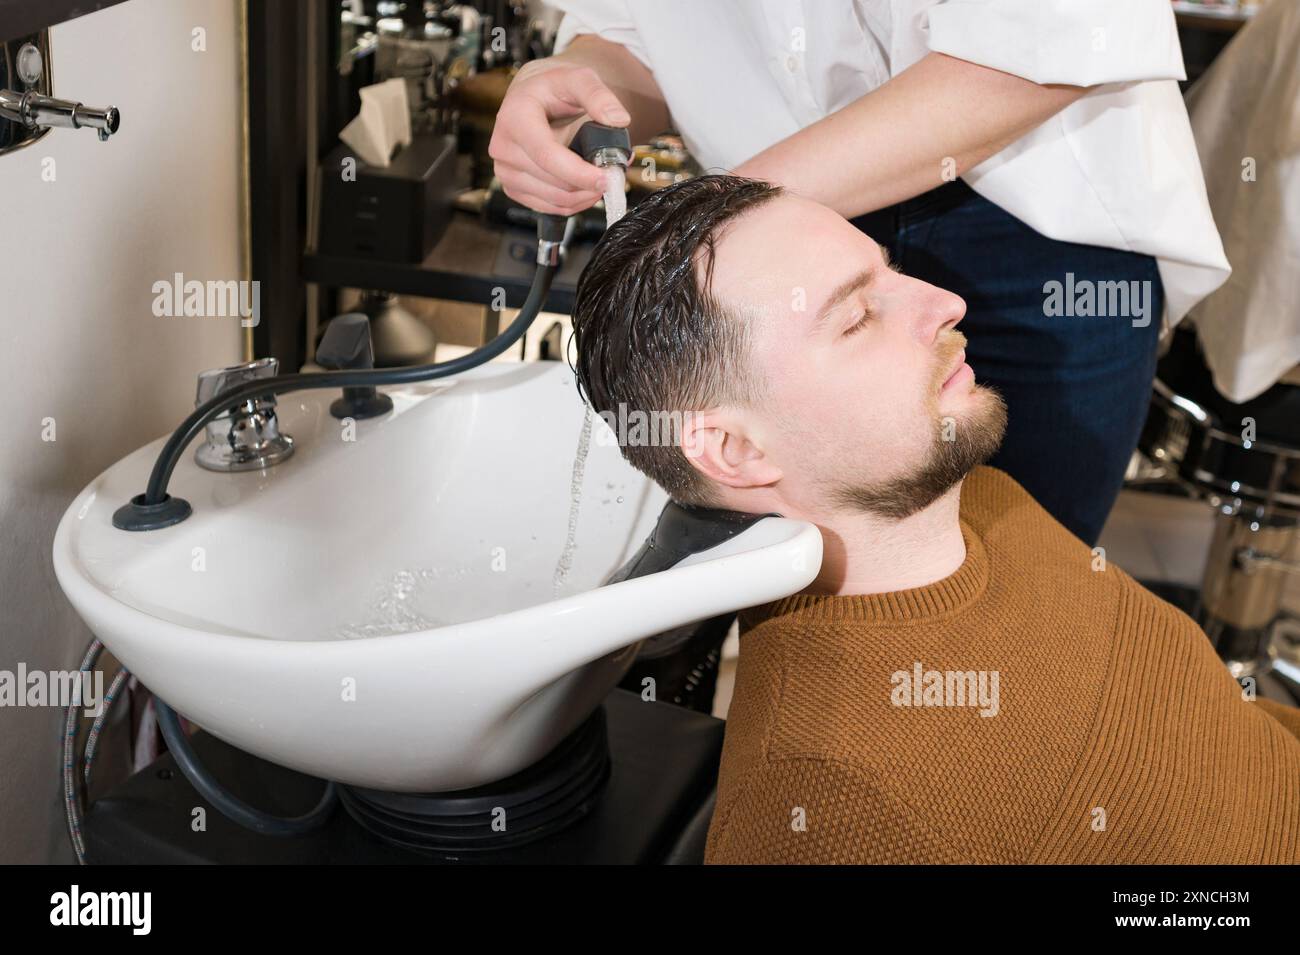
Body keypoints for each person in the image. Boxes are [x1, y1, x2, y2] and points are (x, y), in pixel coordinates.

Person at [569, 175, 1300, 864]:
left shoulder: (976, 492)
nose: (944, 301)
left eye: (889, 270)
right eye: (857, 317)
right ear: (734, 448)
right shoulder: (834, 810)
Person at [491, 0, 1232, 545]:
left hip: (1036, 209)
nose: (940, 308)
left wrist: (729, 209)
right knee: (800, 600)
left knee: (1011, 584)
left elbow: (1053, 39)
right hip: (776, 224)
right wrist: (567, 83)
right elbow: (639, 34)